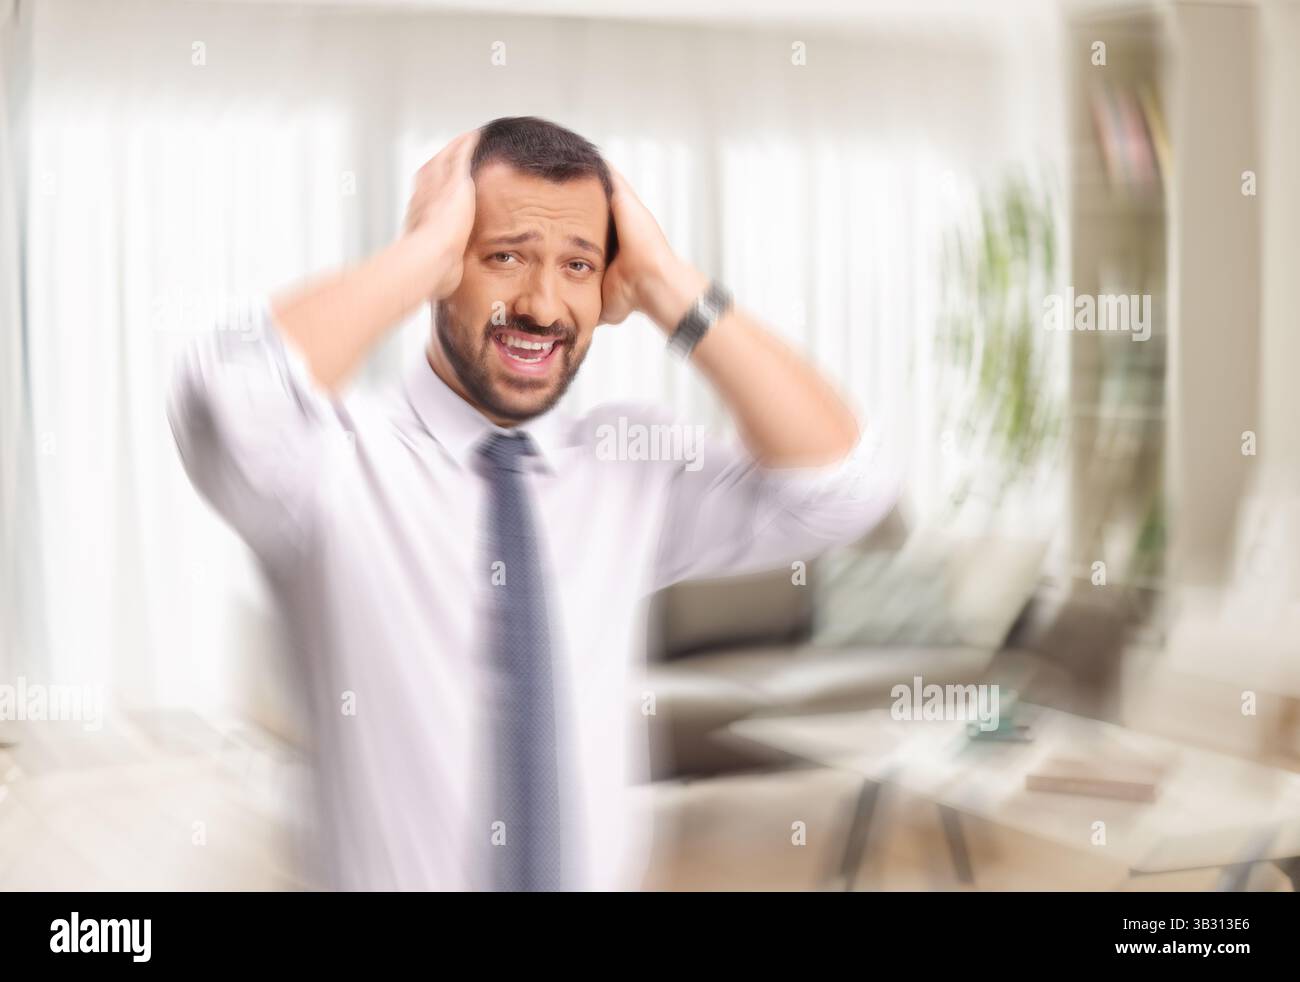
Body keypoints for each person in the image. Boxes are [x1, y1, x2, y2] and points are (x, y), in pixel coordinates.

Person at [167, 115, 900, 891]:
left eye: (579, 265)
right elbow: (220, 395)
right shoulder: (327, 466)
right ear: (446, 264)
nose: (544, 306)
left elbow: (845, 487)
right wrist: (417, 255)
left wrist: (665, 284)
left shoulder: (627, 467)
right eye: (504, 256)